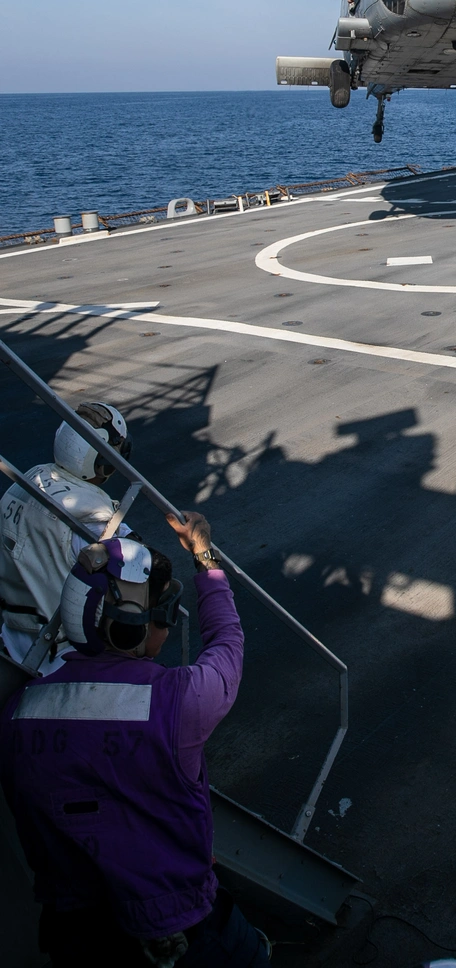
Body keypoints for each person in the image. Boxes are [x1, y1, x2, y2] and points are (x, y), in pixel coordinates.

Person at [0, 510, 268, 967]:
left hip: (76, 935)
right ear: (130, 625)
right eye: (162, 611)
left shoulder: (18, 715)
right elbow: (227, 641)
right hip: (177, 926)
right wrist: (203, 556)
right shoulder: (180, 702)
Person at [1, 403, 133, 673]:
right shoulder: (93, 519)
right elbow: (134, 573)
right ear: (102, 462)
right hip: (60, 655)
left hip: (14, 637)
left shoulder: (26, 481)